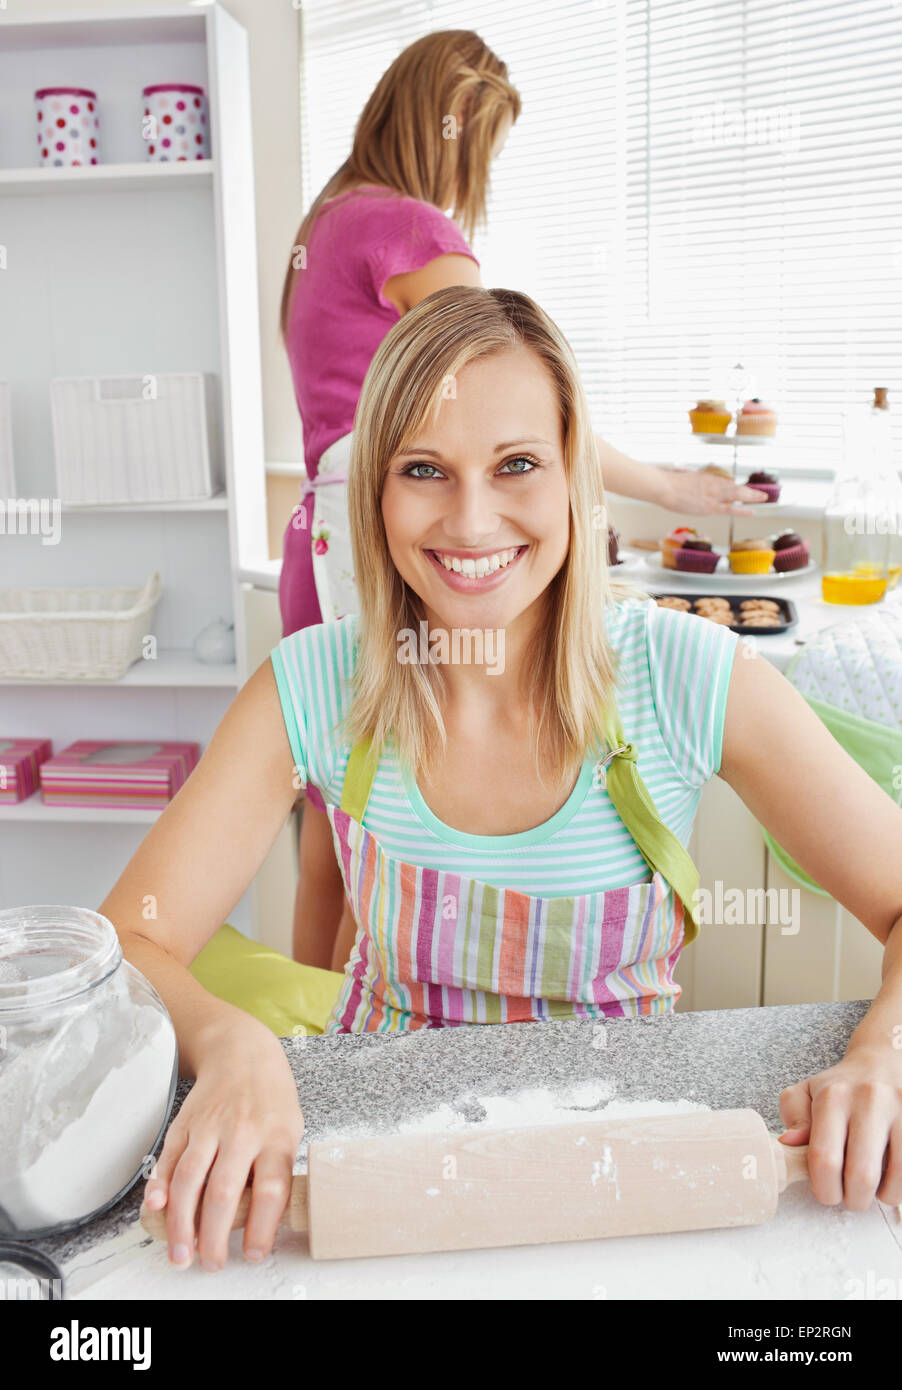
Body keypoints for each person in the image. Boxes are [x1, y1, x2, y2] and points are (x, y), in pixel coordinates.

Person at [105, 286, 902, 1272]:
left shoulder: (686, 675)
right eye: (424, 470)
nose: (471, 520)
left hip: (616, 1165)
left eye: (515, 464)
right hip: (377, 1177)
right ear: (378, 494)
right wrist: (229, 1042)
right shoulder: (311, 685)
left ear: (574, 471)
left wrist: (883, 1051)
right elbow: (127, 939)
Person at [278, 29, 770, 973]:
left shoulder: (324, 224)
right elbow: (511, 388)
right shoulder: (413, 230)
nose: (480, 173)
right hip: (371, 537)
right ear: (452, 128)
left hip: (327, 531)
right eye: (483, 146)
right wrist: (670, 485)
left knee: (335, 824)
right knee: (395, 801)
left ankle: (316, 1036)